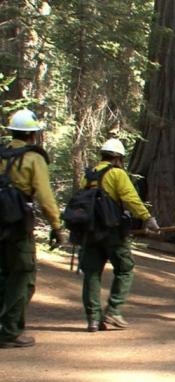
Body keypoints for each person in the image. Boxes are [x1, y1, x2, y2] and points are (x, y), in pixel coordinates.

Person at [78, 138, 160, 332]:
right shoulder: (117, 174)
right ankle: (113, 311)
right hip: (112, 232)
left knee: (92, 273)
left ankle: (92, 318)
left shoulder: (88, 176)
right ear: (119, 158)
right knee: (124, 268)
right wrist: (147, 218)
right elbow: (130, 198)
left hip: (89, 231)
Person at [0, 109, 65, 348]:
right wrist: (56, 226)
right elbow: (45, 196)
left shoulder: (2, 154)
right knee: (23, 276)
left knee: (3, 274)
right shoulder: (33, 158)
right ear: (32, 134)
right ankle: (10, 332)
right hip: (18, 225)